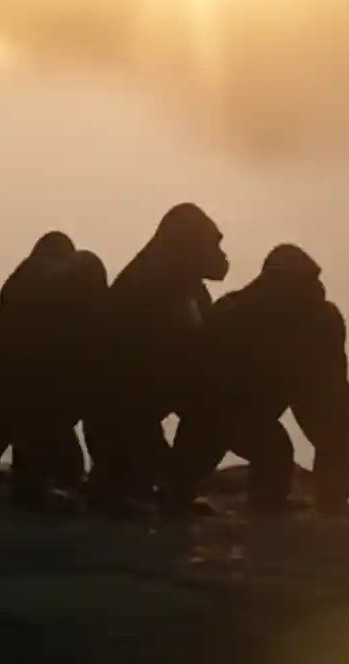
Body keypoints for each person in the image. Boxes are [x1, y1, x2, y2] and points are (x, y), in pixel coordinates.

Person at [163, 244, 349, 517]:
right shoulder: (233, 313)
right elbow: (199, 385)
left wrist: (335, 468)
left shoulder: (321, 320)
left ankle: (275, 508)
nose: (315, 289)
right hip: (219, 407)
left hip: (260, 404)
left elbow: (330, 394)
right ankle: (180, 497)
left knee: (301, 447)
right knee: (268, 449)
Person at [83, 203, 229, 516]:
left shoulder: (188, 287)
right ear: (187, 246)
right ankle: (136, 487)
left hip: (153, 390)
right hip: (122, 401)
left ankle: (174, 488)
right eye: (212, 245)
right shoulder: (146, 287)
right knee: (130, 471)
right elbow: (124, 380)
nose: (221, 255)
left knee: (215, 412)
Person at [0, 231, 76, 486]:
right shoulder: (48, 281)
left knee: (2, 429)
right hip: (30, 379)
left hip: (9, 372)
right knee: (52, 449)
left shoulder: (23, 278)